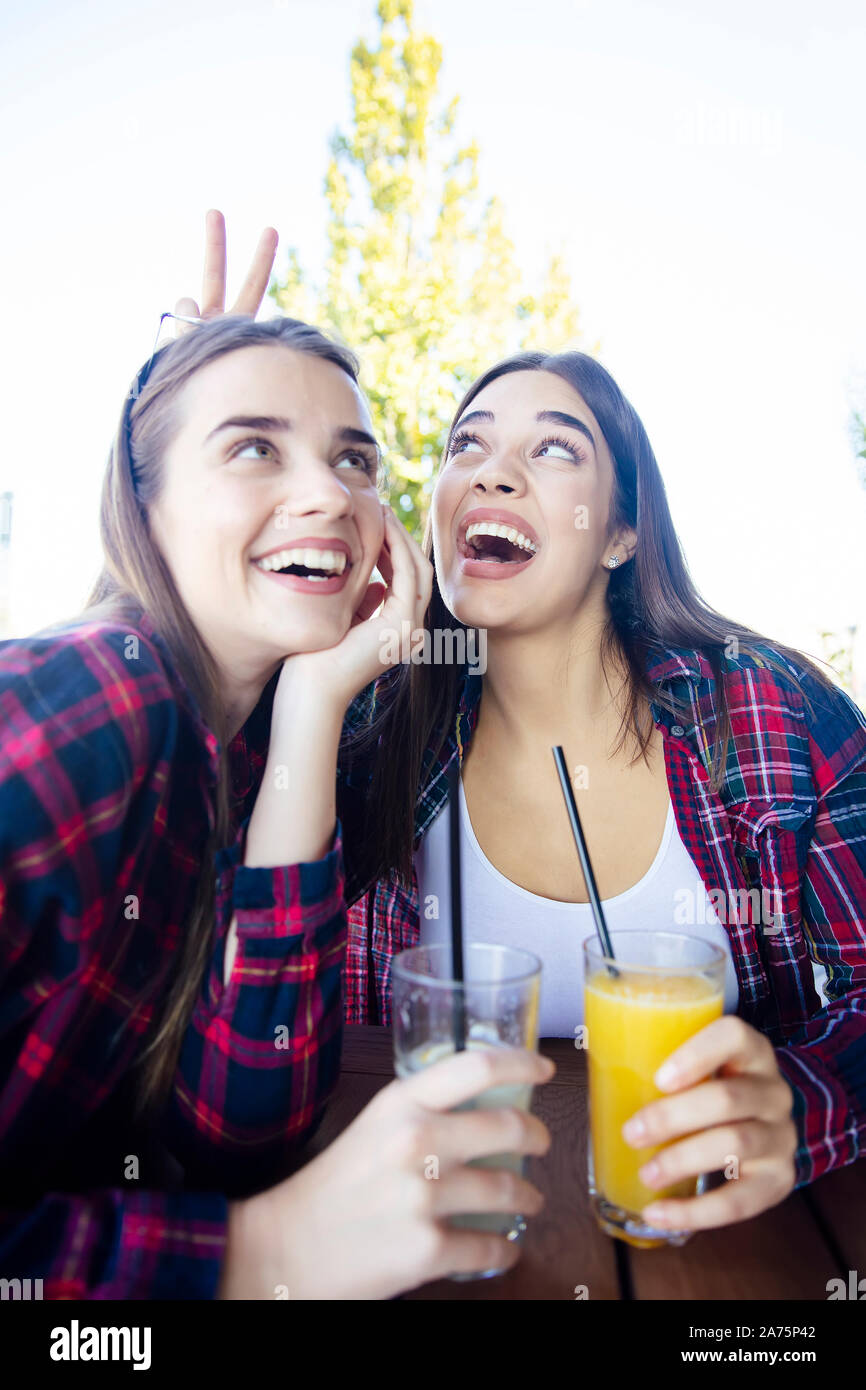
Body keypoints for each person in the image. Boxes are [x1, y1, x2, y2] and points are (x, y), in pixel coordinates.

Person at [0, 303, 555, 1299]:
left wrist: (312, 708)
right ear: (143, 506)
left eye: (353, 461)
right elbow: (257, 1207)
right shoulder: (84, 699)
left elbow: (240, 1131)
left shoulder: (264, 751)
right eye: (253, 447)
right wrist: (264, 1254)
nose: (329, 494)